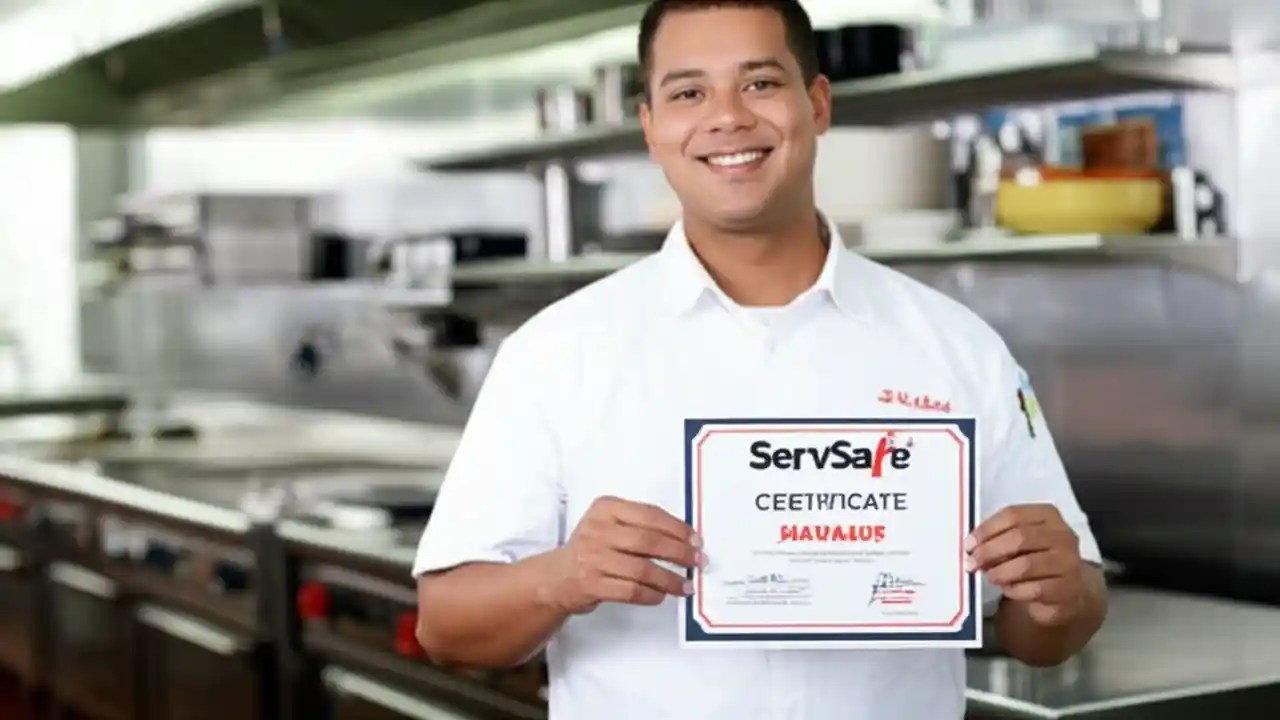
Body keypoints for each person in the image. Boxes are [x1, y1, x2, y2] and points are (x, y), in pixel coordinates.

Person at [412, 1, 1109, 717]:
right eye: (688, 93)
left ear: (817, 103)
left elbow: (1053, 625)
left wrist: (1060, 595)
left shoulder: (956, 345)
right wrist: (562, 576)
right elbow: (444, 626)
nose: (728, 118)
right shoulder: (556, 352)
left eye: (760, 84)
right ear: (651, 126)